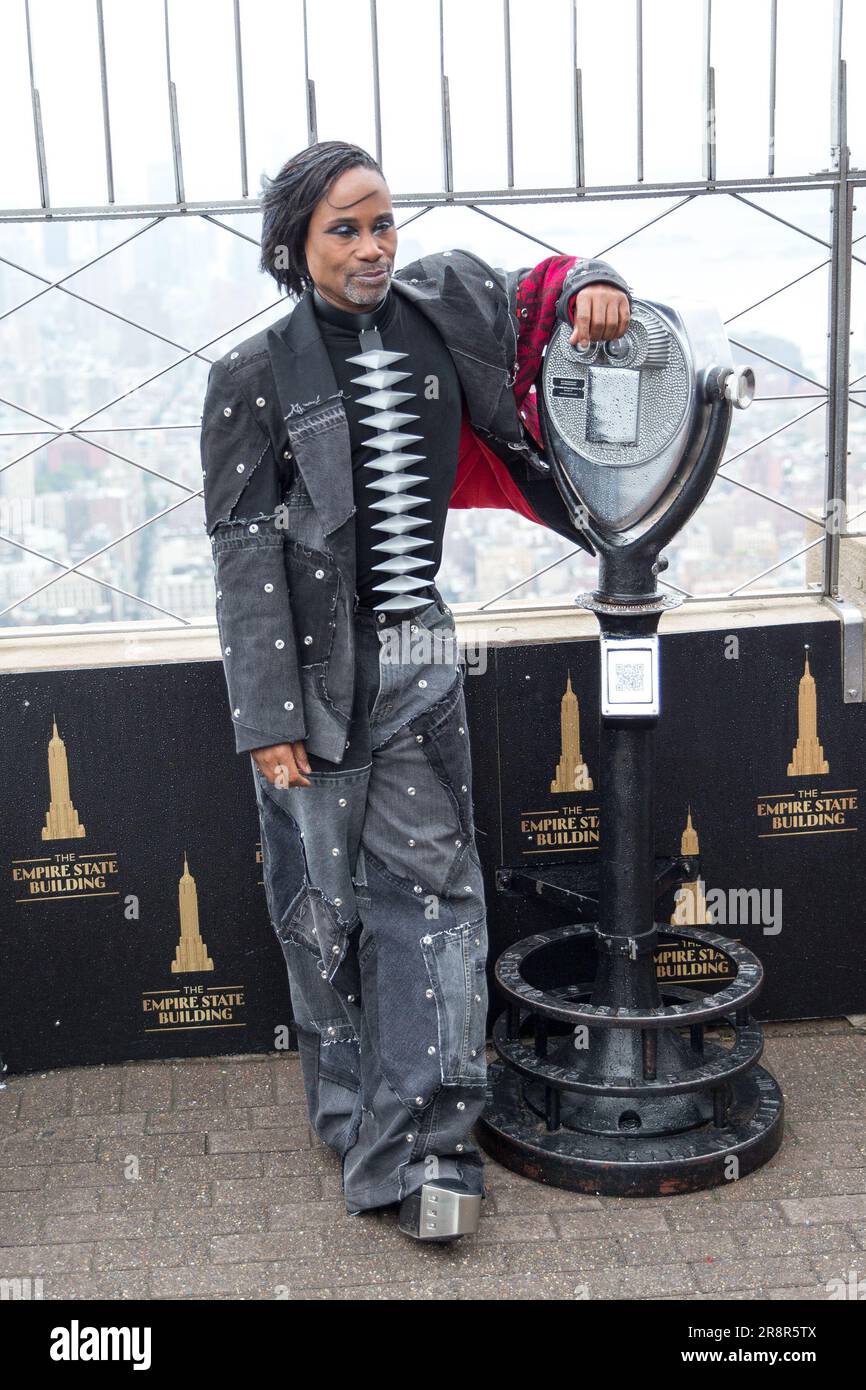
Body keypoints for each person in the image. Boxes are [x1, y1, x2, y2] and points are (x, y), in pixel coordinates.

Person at [200, 140, 631, 1243]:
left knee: (434, 903)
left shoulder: (442, 304)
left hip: (419, 658)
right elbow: (243, 552)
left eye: (382, 221)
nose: (372, 246)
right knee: (319, 909)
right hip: (314, 679)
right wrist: (267, 718)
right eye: (344, 228)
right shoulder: (251, 377)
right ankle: (352, 1115)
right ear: (294, 246)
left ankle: (428, 1148)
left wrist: (596, 286)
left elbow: (541, 298)